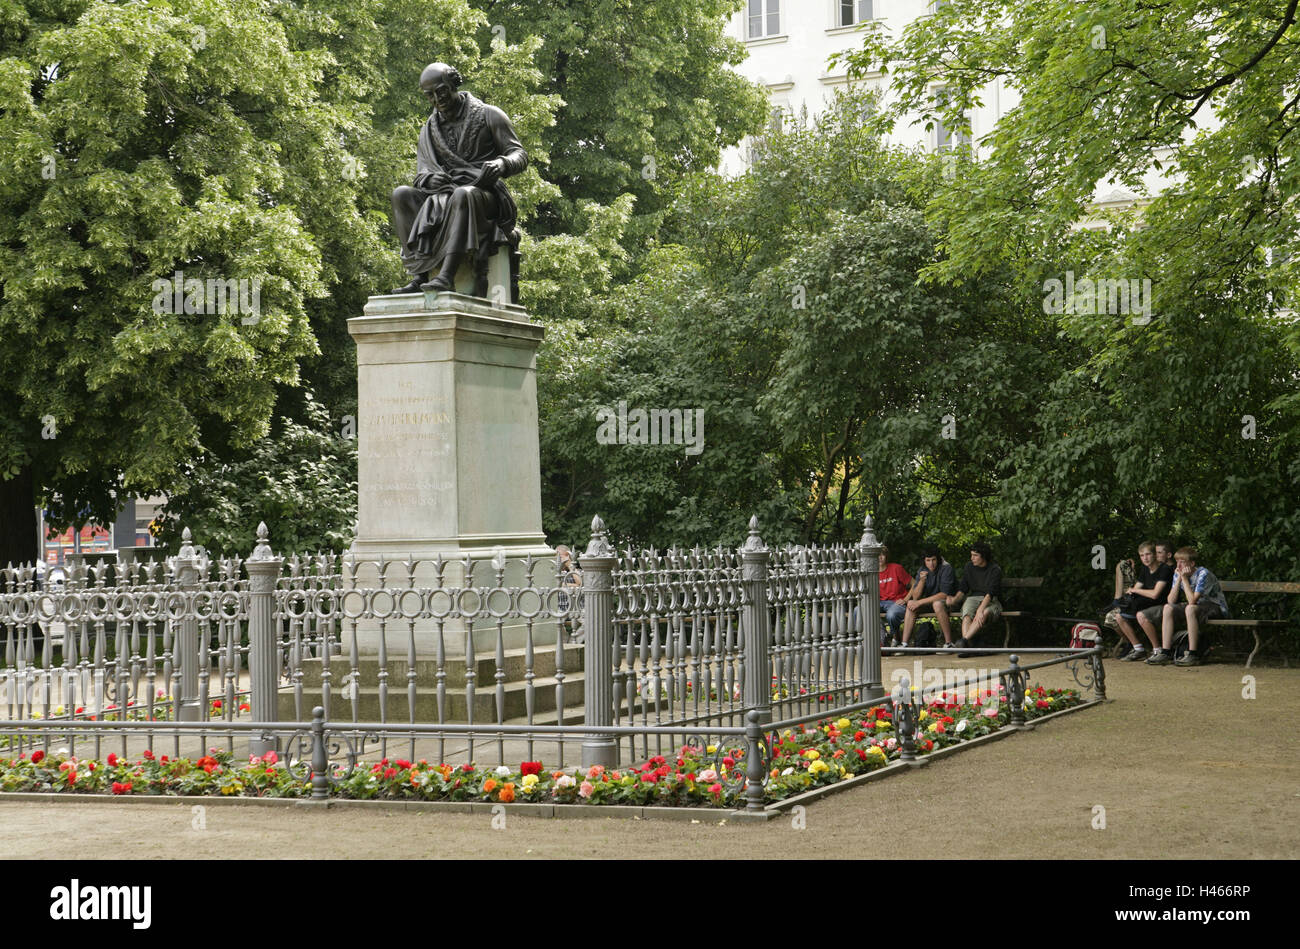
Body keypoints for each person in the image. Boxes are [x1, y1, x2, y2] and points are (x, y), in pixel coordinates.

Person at [390, 62, 528, 296]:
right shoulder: (430, 128)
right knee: (401, 194)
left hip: (486, 194)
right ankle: (419, 275)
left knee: (463, 195)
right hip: (445, 191)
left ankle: (446, 277)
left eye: (441, 91)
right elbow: (422, 172)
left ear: (454, 84)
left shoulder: (488, 114)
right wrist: (429, 180)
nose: (437, 99)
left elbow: (520, 155)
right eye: (429, 95)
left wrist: (501, 163)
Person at [1145, 546, 1229, 666]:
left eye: (1182, 562)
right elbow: (1170, 600)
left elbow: (1192, 601)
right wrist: (1179, 579)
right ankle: (1165, 652)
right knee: (1168, 608)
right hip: (1197, 607)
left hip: (1215, 607)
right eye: (1177, 561)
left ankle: (1192, 654)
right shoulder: (1178, 573)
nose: (1179, 565)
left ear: (1192, 563)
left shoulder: (1203, 573)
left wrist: (1183, 578)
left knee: (1190, 608)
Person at [1112, 541, 1173, 662]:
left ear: (1155, 554)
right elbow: (1135, 589)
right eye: (1141, 555)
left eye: (1148, 554)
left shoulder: (1164, 569)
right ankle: (1138, 648)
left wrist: (1135, 590)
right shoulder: (1145, 569)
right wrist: (1131, 592)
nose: (1145, 558)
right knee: (1119, 616)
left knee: (1141, 615)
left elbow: (1155, 594)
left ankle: (1157, 650)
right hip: (1146, 604)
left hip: (1163, 605)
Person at [899, 545, 957, 647]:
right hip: (930, 602)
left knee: (937, 604)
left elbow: (944, 594)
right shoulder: (922, 569)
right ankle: (904, 644)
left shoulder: (946, 568)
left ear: (938, 558)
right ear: (924, 560)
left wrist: (920, 602)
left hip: (949, 602)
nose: (931, 563)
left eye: (933, 560)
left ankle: (949, 643)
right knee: (911, 604)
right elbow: (916, 597)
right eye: (928, 560)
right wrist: (922, 581)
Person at [949, 541, 1003, 649]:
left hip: (990, 600)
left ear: (983, 556)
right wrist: (954, 600)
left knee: (984, 613)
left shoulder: (995, 569)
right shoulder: (969, 567)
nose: (972, 558)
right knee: (967, 614)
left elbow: (991, 593)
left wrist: (980, 610)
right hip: (973, 598)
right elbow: (963, 589)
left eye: (975, 555)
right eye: (971, 555)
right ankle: (966, 645)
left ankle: (964, 642)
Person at [876, 547, 912, 646]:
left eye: (882, 555)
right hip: (879, 603)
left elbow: (914, 584)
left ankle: (895, 638)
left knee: (891, 615)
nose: (880, 557)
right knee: (859, 610)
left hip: (896, 602)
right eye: (877, 555)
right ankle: (881, 637)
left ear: (886, 556)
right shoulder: (872, 573)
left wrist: (906, 599)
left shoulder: (896, 568)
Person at [555, 545, 583, 642]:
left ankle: (573, 641)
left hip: (577, 607)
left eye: (559, 556)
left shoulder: (577, 571)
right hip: (560, 608)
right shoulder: (555, 573)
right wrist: (572, 585)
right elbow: (556, 585)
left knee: (591, 622)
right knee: (553, 624)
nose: (557, 559)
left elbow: (580, 583)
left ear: (567, 555)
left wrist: (569, 565)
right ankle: (566, 642)